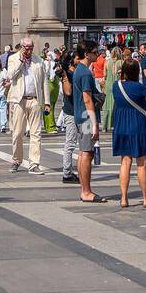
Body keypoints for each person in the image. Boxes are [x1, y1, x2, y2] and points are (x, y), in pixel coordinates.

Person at [111, 60, 146, 208]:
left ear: (124, 71)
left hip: (121, 126)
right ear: (136, 72)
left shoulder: (116, 86)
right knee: (141, 164)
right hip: (138, 125)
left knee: (125, 162)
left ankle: (124, 198)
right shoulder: (139, 87)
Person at [6, 37, 51, 175]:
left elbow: (44, 82)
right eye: (26, 47)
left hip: (35, 100)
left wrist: (47, 102)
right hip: (19, 100)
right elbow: (11, 76)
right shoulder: (13, 59)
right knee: (17, 132)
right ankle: (16, 159)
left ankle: (34, 163)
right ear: (21, 47)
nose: (28, 50)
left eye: (31, 47)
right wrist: (21, 61)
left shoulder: (38, 61)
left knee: (36, 133)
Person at [73, 43, 107, 204]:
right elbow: (87, 98)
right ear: (87, 54)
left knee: (82, 152)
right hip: (87, 117)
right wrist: (94, 123)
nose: (97, 55)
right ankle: (86, 191)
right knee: (87, 153)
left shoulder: (79, 70)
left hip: (80, 115)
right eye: (95, 53)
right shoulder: (85, 73)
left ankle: (84, 189)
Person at [59, 47, 82, 182]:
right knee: (71, 142)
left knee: (84, 143)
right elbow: (68, 92)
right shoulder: (68, 74)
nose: (80, 60)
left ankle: (77, 171)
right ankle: (67, 173)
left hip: (81, 113)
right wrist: (64, 76)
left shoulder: (78, 73)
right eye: (78, 58)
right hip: (71, 113)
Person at [100, 46, 122, 132]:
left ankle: (105, 126)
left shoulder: (107, 62)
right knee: (117, 104)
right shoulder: (121, 62)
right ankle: (116, 124)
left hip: (108, 85)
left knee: (107, 105)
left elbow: (104, 75)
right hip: (118, 85)